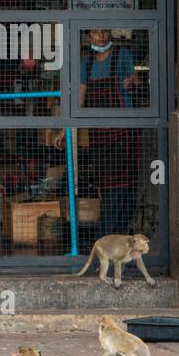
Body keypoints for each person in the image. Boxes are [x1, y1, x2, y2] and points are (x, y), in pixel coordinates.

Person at [58, 28, 140, 237]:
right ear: (89, 37)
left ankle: (116, 232)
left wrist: (132, 83)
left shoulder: (122, 55)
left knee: (125, 184)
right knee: (105, 183)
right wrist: (67, 127)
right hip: (100, 134)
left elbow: (136, 80)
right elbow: (80, 96)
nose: (101, 36)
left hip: (124, 131)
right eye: (96, 33)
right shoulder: (86, 62)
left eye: (104, 32)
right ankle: (109, 234)